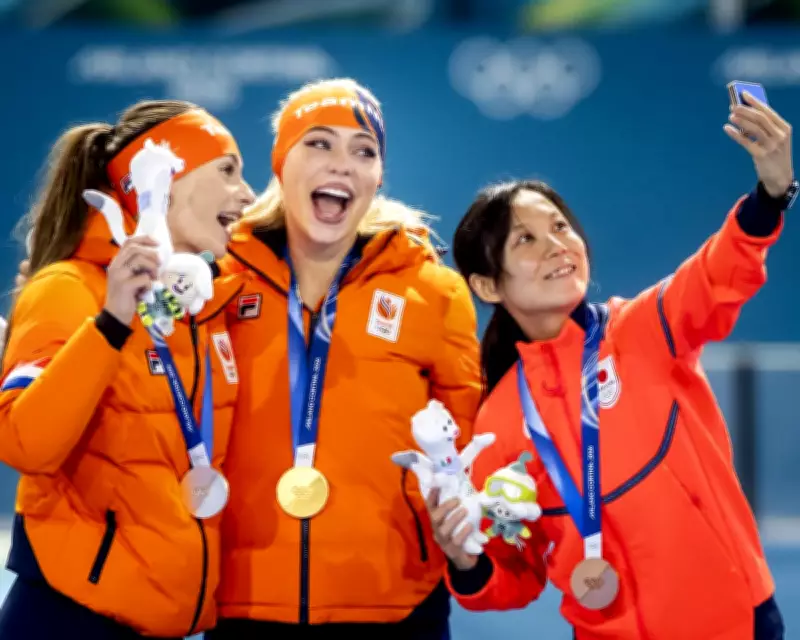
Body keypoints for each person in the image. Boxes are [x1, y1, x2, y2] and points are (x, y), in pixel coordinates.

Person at [428, 92, 793, 639]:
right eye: (526, 239)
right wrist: (467, 561)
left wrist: (770, 195)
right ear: (486, 285)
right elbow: (514, 574)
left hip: (732, 622)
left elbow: (718, 274)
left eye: (559, 227)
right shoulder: (500, 421)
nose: (557, 245)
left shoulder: (643, 329)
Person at [206, 78, 482, 639]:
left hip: (394, 604)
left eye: (364, 152)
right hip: (244, 600)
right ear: (281, 162)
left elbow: (465, 447)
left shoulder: (433, 291)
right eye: (319, 143)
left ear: (378, 178)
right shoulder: (215, 282)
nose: (343, 164)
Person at [0, 100, 255, 639]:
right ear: (164, 182)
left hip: (165, 621)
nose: (248, 194)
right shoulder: (67, 289)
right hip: (68, 618)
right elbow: (25, 443)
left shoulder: (202, 311)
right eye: (227, 170)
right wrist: (112, 323)